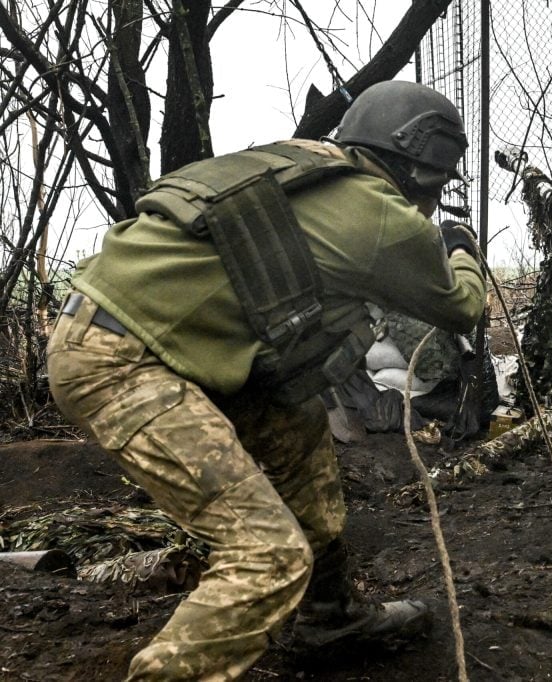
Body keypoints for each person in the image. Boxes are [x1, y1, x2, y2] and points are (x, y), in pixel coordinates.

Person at [46, 81, 485, 680]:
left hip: (129, 335)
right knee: (267, 553)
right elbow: (461, 308)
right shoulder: (385, 216)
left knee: (299, 432)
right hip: (121, 362)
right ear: (421, 169)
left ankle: (330, 617)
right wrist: (460, 249)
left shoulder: (301, 162)